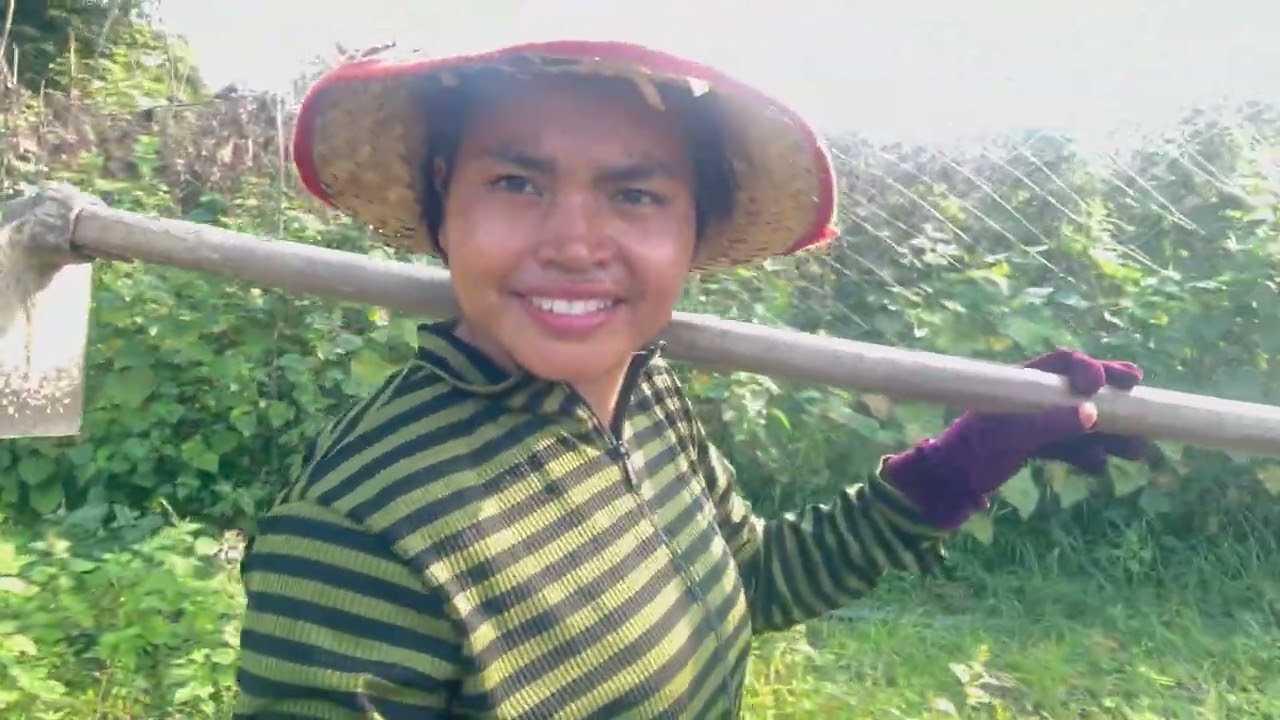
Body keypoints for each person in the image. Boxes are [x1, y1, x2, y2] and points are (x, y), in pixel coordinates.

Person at [232, 39, 1149, 719]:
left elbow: (750, 583)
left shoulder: (642, 394)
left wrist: (969, 457)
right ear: (445, 198)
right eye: (517, 182)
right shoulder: (361, 534)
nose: (575, 245)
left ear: (693, 233)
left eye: (635, 195)